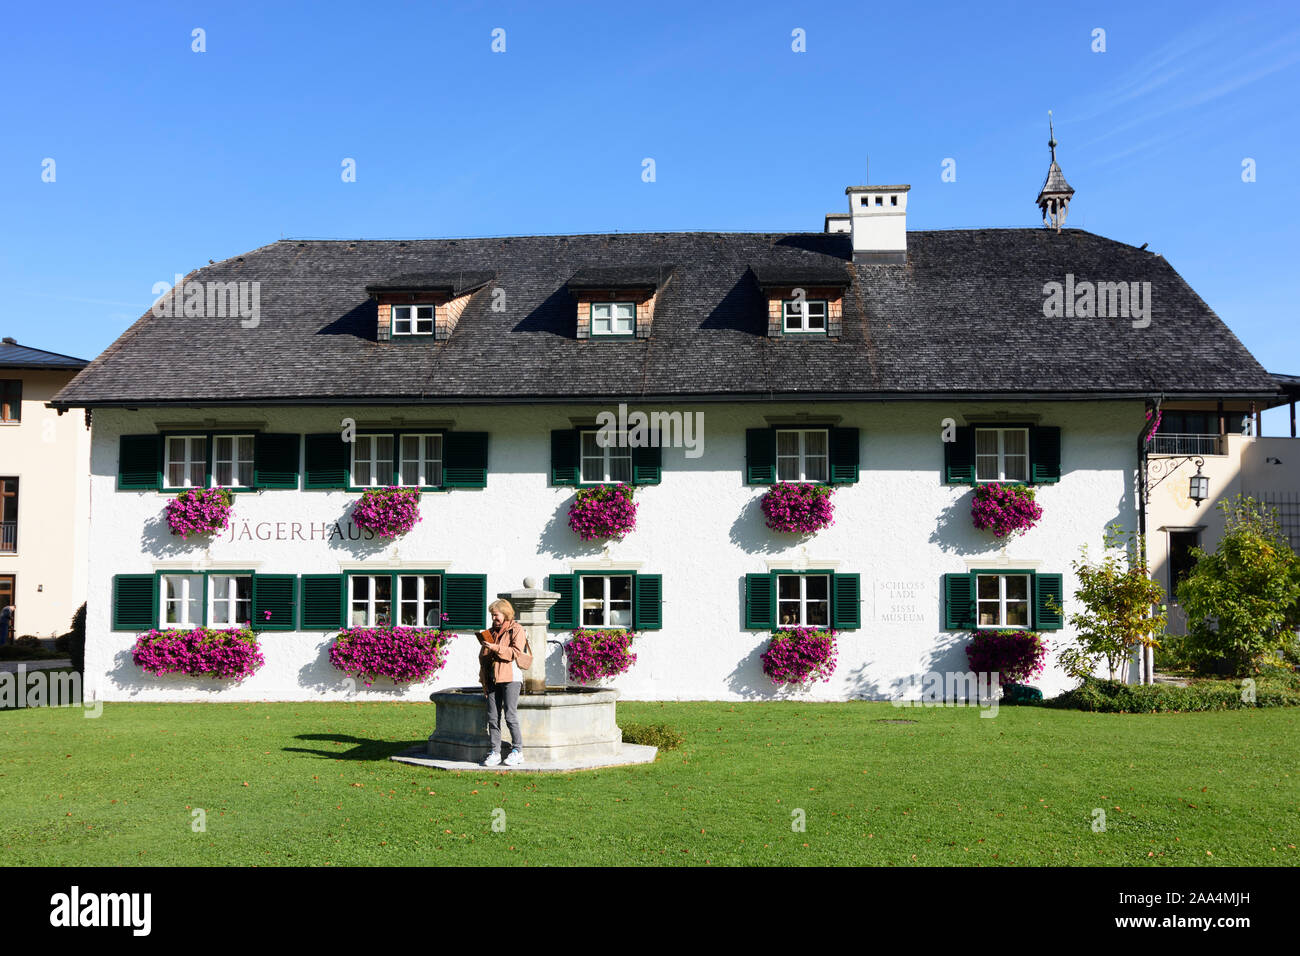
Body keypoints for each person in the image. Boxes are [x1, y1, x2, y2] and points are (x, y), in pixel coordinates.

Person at [479, 599, 527, 767]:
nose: (493, 618)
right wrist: (484, 679)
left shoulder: (517, 629)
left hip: (511, 678)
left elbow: (515, 652)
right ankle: (495, 752)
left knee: (510, 716)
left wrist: (494, 648)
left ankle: (517, 751)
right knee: (492, 717)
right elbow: (483, 658)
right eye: (492, 615)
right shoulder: (491, 632)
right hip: (493, 678)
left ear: (505, 614)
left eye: (496, 615)